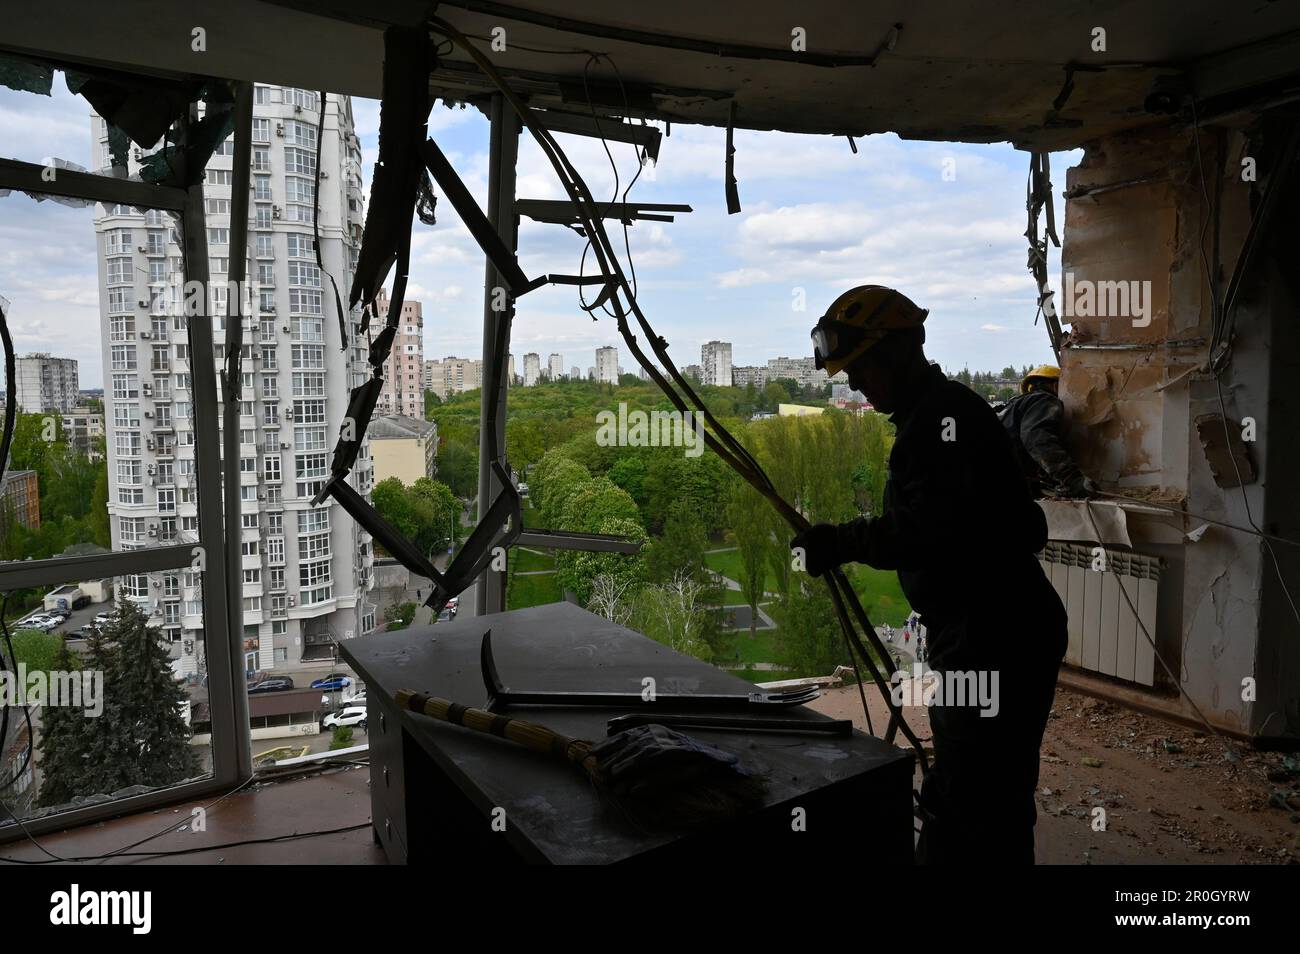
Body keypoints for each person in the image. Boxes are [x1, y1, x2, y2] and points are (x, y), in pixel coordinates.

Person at [790, 284, 1067, 865]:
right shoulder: (937, 414)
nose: (856, 384)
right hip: (992, 626)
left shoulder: (945, 420)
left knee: (971, 794)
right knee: (992, 785)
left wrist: (840, 541)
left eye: (860, 369)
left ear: (895, 353)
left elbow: (926, 528)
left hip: (994, 633)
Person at [996, 365, 1094, 499]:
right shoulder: (1044, 400)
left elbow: (1019, 447)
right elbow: (1038, 440)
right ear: (1055, 386)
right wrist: (1072, 479)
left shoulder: (1015, 405)